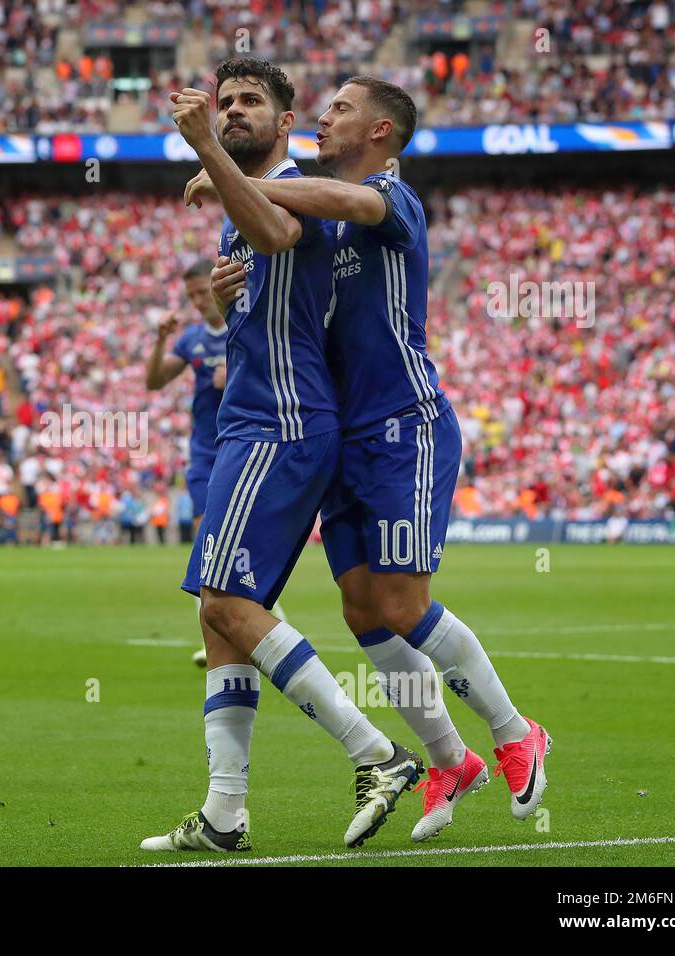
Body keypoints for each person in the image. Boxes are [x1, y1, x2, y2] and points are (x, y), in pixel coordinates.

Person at [197, 75, 551, 842]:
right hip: (341, 436)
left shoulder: (390, 199)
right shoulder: (318, 219)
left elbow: (336, 203)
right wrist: (232, 295)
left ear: (381, 132)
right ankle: (447, 759)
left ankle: (515, 728)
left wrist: (232, 172)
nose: (326, 116)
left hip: (403, 425)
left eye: (342, 110)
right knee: (363, 611)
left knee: (400, 605)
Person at [140, 58, 423, 856]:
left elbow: (282, 232)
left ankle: (377, 754)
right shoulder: (245, 196)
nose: (232, 110)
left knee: (228, 605)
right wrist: (233, 298)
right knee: (218, 618)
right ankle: (224, 815)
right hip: (257, 420)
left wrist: (207, 153)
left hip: (280, 422)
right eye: (223, 101)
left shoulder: (280, 185)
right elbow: (272, 269)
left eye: (250, 102)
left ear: (285, 122)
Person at [146, 258, 291, 667]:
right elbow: (154, 381)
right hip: (205, 455)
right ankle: (219, 639)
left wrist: (241, 370)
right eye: (190, 294)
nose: (197, 300)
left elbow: (279, 372)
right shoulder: (190, 340)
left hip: (247, 447)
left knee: (242, 543)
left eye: (200, 290)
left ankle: (268, 624)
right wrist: (159, 340)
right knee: (206, 543)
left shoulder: (246, 327)